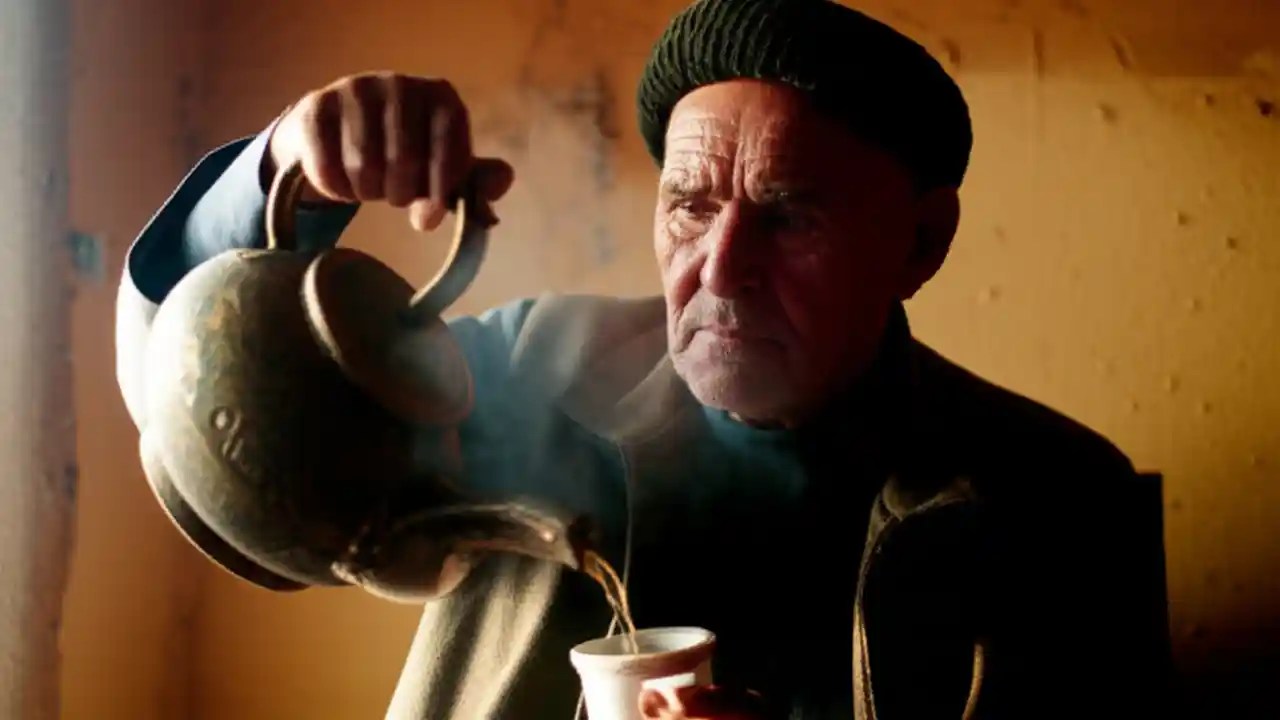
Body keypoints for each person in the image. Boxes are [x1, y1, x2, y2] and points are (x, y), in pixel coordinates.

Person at [115, 0, 1173, 718]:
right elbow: (188, 427)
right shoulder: (526, 373)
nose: (720, 268)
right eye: (689, 205)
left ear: (919, 243)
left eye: (790, 217)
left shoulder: (1055, 504)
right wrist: (283, 170)